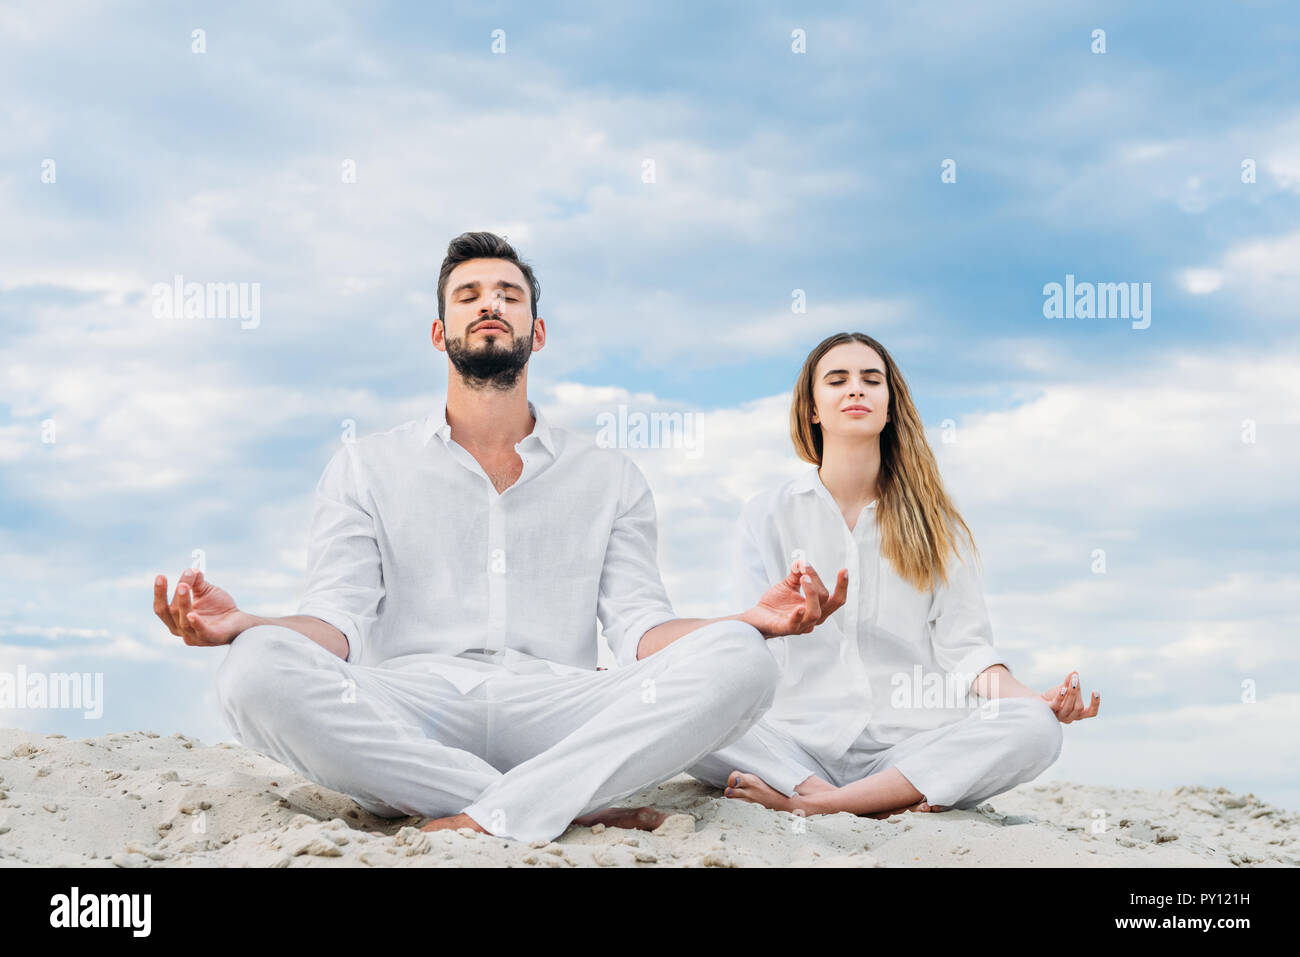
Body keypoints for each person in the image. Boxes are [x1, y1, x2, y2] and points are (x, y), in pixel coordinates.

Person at [151, 231, 847, 844]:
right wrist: (245, 621)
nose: (491, 304)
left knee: (743, 659)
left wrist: (749, 619)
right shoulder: (365, 466)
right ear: (439, 331)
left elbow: (640, 630)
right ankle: (544, 803)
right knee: (252, 666)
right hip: (413, 704)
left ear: (536, 333)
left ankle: (511, 800)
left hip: (559, 706)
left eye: (510, 295)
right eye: (470, 295)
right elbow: (337, 621)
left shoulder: (609, 474)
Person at [688, 332, 1100, 819]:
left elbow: (967, 651)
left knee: (1034, 728)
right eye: (837, 380)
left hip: (909, 751)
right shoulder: (767, 513)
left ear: (889, 407)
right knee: (681, 703)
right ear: (813, 410)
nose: (856, 390)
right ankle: (848, 800)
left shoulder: (937, 523)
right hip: (795, 745)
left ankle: (820, 806)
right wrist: (778, 621)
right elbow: (750, 643)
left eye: (871, 380)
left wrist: (1038, 700)